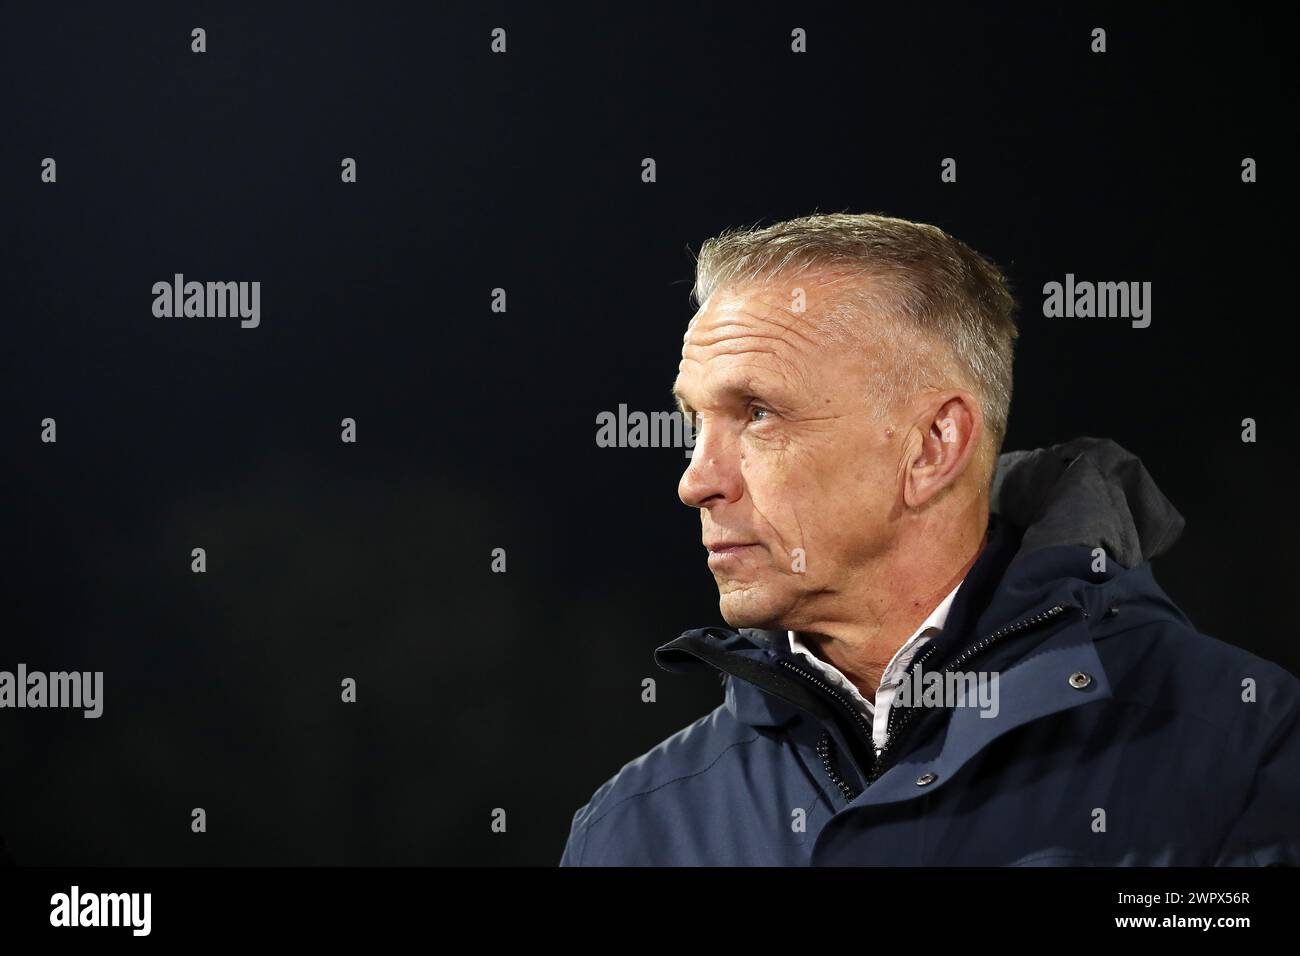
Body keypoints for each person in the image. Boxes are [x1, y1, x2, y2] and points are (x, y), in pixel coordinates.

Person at [560, 212, 1300, 866]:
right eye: (695, 423)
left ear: (932, 447)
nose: (697, 481)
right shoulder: (633, 828)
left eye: (757, 413)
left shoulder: (1243, 744)